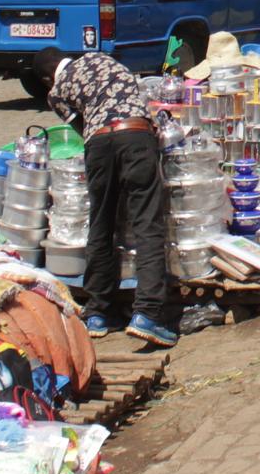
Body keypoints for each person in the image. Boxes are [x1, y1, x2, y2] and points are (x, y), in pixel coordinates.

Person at [47, 52, 175, 348]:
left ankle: (98, 312)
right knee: (147, 223)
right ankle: (148, 313)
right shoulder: (101, 58)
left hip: (99, 143)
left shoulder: (56, 92)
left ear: (47, 76)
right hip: (136, 134)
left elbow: (83, 130)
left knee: (100, 223)